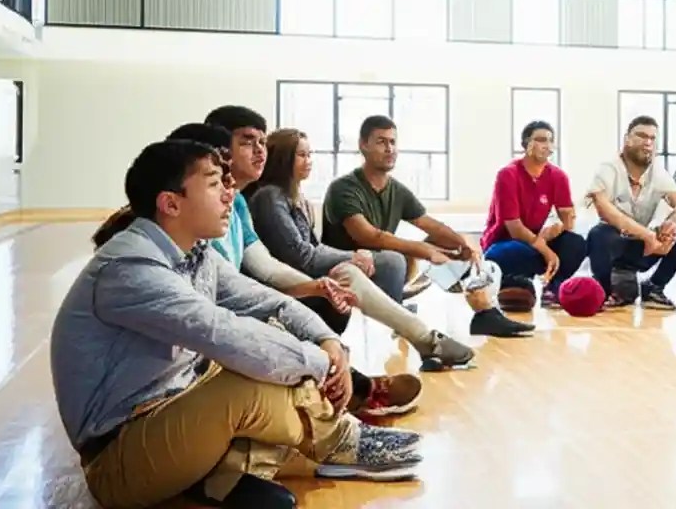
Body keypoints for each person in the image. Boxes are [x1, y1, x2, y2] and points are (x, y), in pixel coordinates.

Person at [50, 140, 422, 509]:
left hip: (168, 416)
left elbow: (264, 300)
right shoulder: (130, 270)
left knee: (278, 344)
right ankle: (337, 442)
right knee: (247, 375)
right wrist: (322, 362)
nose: (228, 195)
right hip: (118, 461)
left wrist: (326, 340)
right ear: (170, 203)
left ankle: (227, 474)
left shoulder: (194, 254)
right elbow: (226, 334)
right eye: (214, 184)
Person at [170, 119, 422, 417]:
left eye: (263, 142)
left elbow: (262, 272)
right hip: (160, 403)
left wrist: (319, 299)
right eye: (215, 181)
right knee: (271, 338)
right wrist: (323, 355)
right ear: (170, 200)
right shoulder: (145, 262)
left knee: (309, 308)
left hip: (249, 303)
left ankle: (356, 385)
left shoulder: (233, 213)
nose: (259, 151)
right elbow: (295, 260)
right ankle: (351, 399)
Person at [246, 128, 474, 368]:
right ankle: (423, 336)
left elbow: (428, 223)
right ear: (284, 159)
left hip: (311, 272)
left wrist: (461, 242)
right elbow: (302, 256)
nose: (309, 161)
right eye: (302, 155)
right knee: (375, 265)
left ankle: (418, 329)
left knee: (385, 262)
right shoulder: (271, 198)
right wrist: (352, 256)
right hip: (290, 282)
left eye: (310, 154)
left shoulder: (295, 197)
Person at [323, 115, 533, 338]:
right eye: (381, 142)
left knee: (446, 244)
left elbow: (431, 226)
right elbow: (369, 236)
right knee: (399, 257)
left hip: (384, 266)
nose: (389, 149)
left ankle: (484, 312)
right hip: (347, 264)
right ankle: (405, 316)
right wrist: (425, 251)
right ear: (363, 145)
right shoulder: (343, 188)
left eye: (393, 142)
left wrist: (463, 243)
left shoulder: (397, 190)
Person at [583, 115, 676, 309]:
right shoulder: (608, 169)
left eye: (652, 138)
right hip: (615, 248)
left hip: (647, 247)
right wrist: (647, 235)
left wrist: (672, 220)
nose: (647, 142)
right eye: (641, 136)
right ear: (627, 139)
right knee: (599, 235)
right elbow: (606, 212)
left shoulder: (657, 172)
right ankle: (604, 291)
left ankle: (654, 287)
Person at [480, 121, 587, 309]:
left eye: (550, 141)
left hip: (535, 243)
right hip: (506, 243)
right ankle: (512, 281)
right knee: (512, 252)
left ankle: (553, 289)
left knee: (576, 243)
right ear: (525, 144)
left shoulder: (558, 176)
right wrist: (547, 252)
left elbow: (568, 219)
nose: (547, 145)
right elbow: (514, 228)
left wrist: (557, 228)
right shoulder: (508, 174)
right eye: (540, 140)